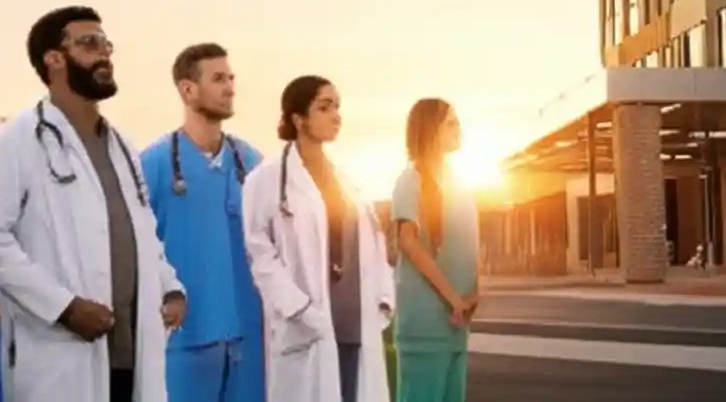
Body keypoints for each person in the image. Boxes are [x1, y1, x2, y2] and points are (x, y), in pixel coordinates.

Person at [0, 6, 186, 402]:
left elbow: (141, 233)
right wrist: (64, 307)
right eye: (89, 43)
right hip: (61, 356)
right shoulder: (15, 141)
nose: (104, 54)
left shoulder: (122, 148)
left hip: (131, 353)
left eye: (106, 44)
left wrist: (170, 286)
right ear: (54, 59)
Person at [241, 75, 393, 402]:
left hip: (355, 325)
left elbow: (375, 246)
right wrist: (299, 308)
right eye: (324, 107)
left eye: (337, 106)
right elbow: (259, 253)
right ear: (298, 119)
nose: (336, 115)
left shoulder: (348, 181)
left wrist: (383, 298)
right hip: (307, 328)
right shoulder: (266, 180)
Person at [141, 43, 265, 402]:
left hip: (247, 340)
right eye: (218, 79)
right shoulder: (153, 164)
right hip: (184, 339)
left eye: (231, 78)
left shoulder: (252, 163)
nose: (229, 87)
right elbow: (135, 246)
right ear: (187, 89)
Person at [391, 98, 480, 402]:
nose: (459, 129)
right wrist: (453, 299)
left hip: (455, 327)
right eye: (451, 123)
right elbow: (408, 242)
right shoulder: (410, 181)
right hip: (426, 327)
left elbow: (466, 245)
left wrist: (473, 293)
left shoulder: (458, 185)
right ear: (431, 131)